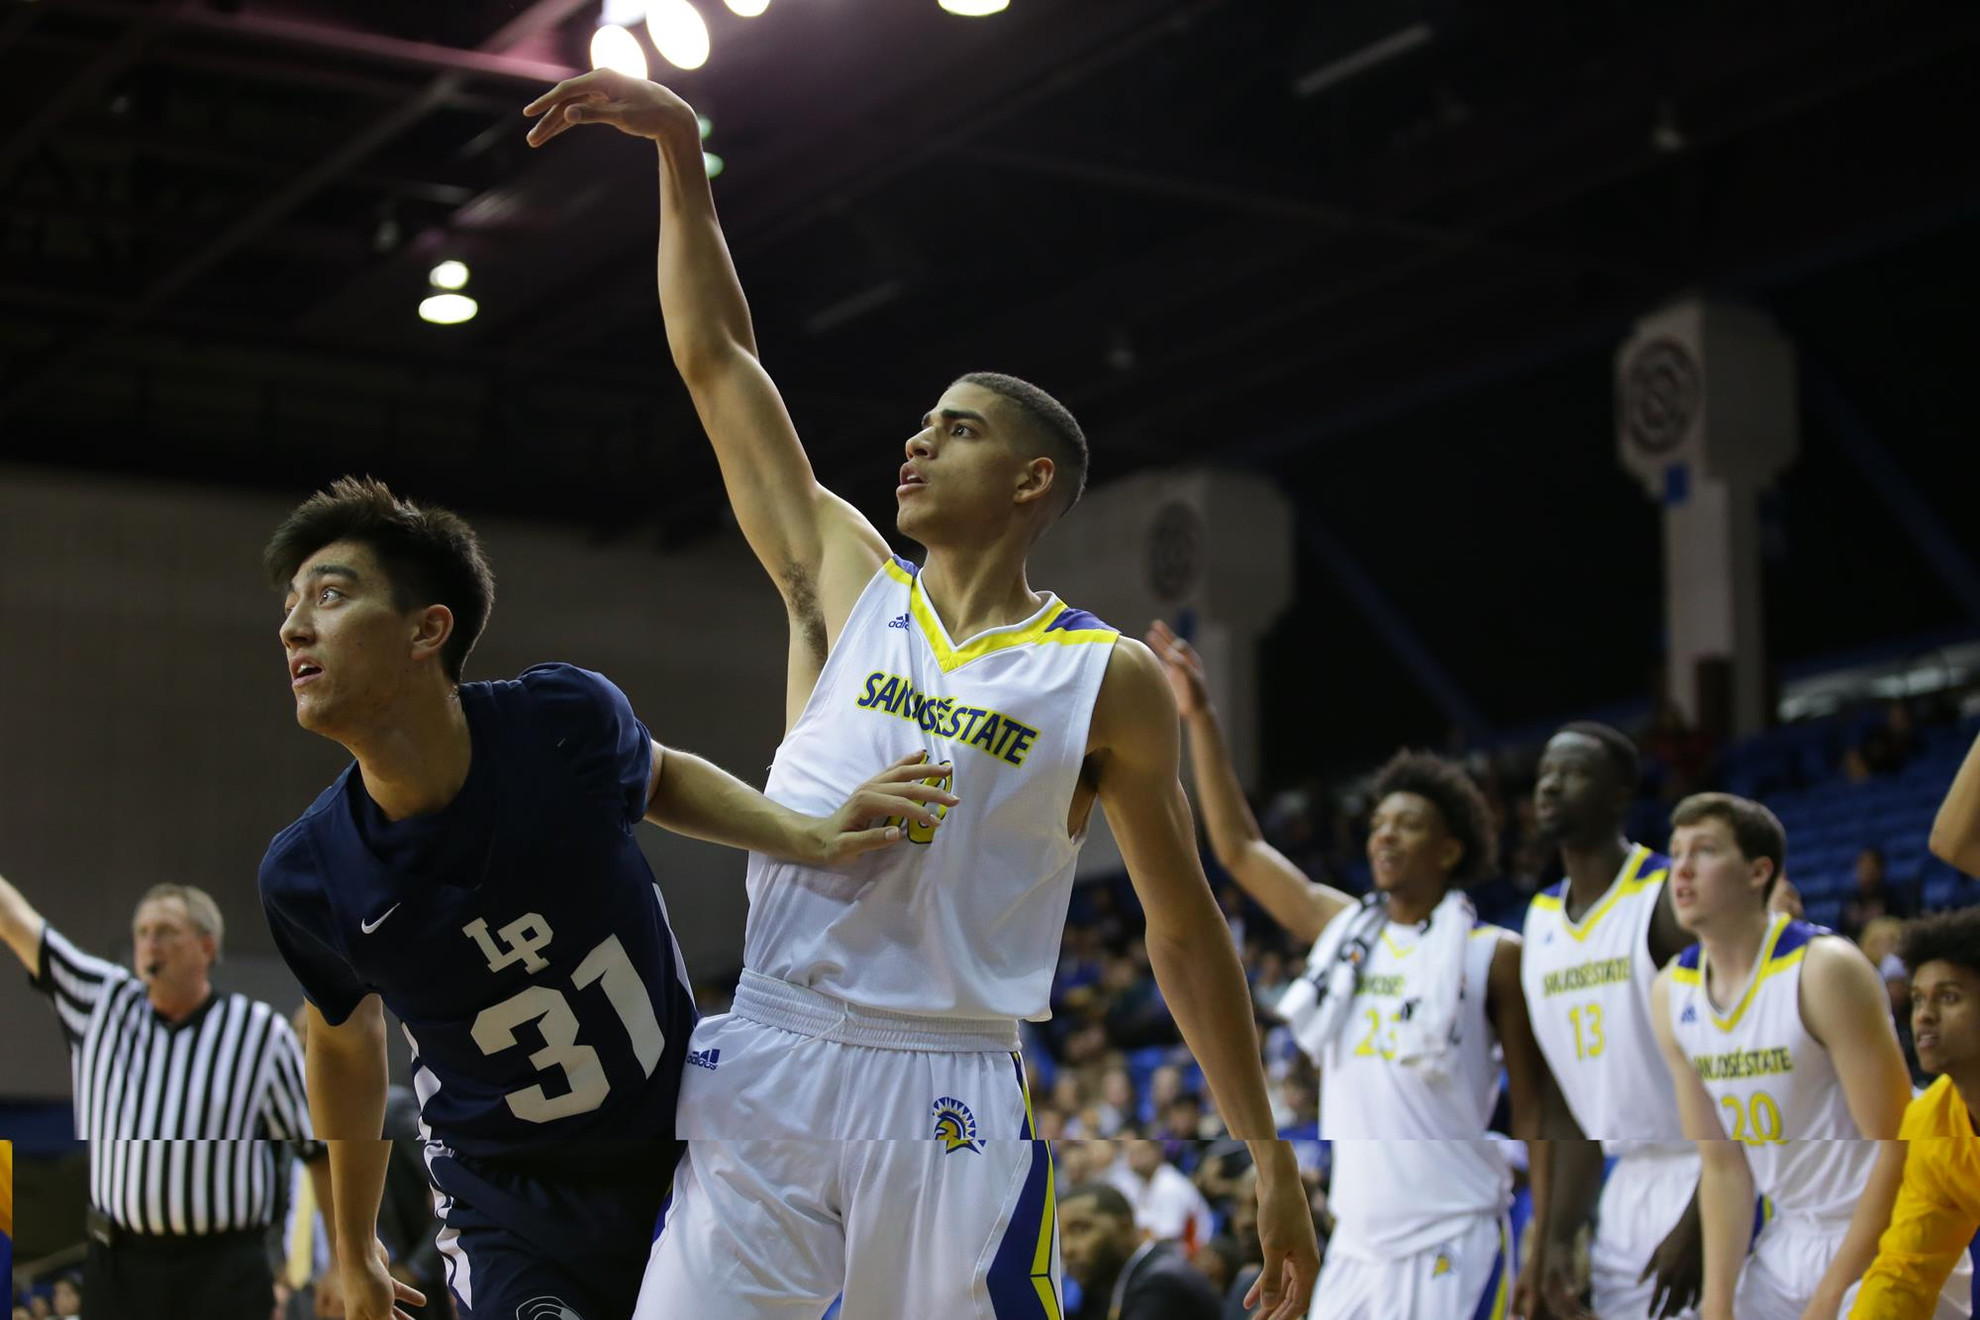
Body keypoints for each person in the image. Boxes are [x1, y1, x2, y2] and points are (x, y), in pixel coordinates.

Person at [523, 69, 1319, 1320]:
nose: (916, 440)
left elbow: (1183, 931)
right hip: (773, 1047)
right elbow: (717, 359)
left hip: (944, 1081)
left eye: (954, 429)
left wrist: (1266, 1151)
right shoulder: (850, 582)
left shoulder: (1102, 678)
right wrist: (683, 154)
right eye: (921, 423)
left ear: (1030, 480)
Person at [258, 478, 935, 1320]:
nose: (292, 626)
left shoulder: (559, 720)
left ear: (428, 629)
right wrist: (353, 1243)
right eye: (291, 604)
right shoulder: (306, 872)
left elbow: (660, 776)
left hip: (690, 1145)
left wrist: (810, 833)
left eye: (329, 595)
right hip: (514, 1201)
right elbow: (347, 1043)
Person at [1145, 623, 1549, 1319]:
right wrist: (1201, 719)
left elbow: (1538, 1112)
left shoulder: (1493, 955)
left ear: (1450, 848)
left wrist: (1546, 1232)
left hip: (1453, 1236)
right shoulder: (1342, 929)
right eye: (1379, 822)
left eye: (1408, 824)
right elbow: (1240, 849)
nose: (1384, 834)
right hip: (1358, 1243)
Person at [1648, 793, 1969, 1319]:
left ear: (1759, 873)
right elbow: (1724, 1165)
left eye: (1703, 851)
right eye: (1675, 851)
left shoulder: (1824, 970)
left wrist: (1828, 1297)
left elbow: (1898, 1146)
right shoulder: (1670, 993)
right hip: (1789, 1237)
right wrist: (1718, 1304)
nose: (1680, 869)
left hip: (1888, 1230)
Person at [0, 875, 334, 1320]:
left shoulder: (259, 1034)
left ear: (207, 947)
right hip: (118, 1264)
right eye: (141, 932)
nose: (149, 942)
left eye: (165, 931)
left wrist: (346, 1262)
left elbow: (318, 1153)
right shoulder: (101, 1003)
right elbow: (20, 924)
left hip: (222, 1269)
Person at [1520, 723, 1703, 1320]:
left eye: (1572, 773)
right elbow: (1570, 1106)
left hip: (1711, 1169)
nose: (1549, 786)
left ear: (1620, 793)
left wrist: (1706, 1215)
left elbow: (1742, 1061)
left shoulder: (1668, 899)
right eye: (1545, 772)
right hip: (1626, 1188)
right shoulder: (1541, 917)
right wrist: (1555, 1234)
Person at [1850, 905, 1980, 1316]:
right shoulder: (1930, 1120)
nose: (1923, 1014)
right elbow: (1904, 1272)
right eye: (1919, 998)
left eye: (1948, 997)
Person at [1062, 1183, 1222, 1320]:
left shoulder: (1162, 1285)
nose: (1067, 1248)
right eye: (1061, 1237)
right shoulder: (1110, 1285)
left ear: (1125, 1227)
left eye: (1080, 1230)